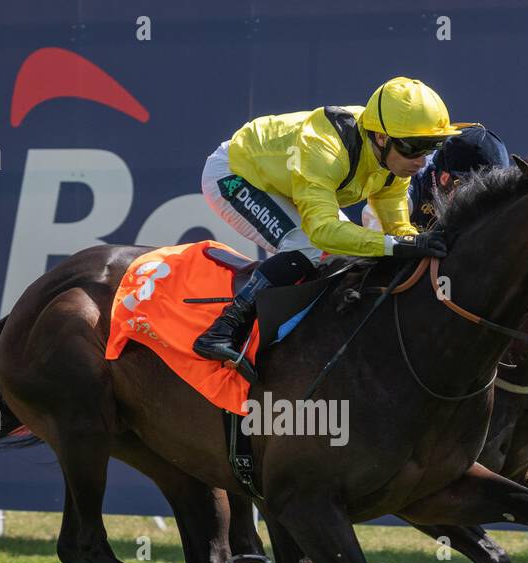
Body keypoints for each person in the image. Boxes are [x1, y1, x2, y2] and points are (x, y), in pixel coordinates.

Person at [195, 76, 462, 381]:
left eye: (432, 147)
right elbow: (322, 231)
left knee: (347, 255)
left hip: (287, 182)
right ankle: (224, 329)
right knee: (307, 243)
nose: (422, 161)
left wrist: (420, 243)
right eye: (414, 148)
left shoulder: (395, 163)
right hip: (235, 174)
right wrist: (396, 245)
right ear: (380, 138)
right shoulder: (325, 145)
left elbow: (397, 228)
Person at [360, 124, 508, 232]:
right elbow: (374, 220)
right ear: (444, 178)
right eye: (472, 188)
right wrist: (413, 245)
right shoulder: (412, 178)